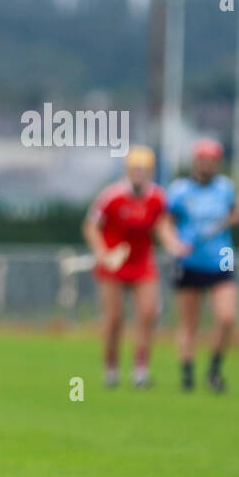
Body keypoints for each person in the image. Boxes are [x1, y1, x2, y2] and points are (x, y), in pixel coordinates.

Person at [167, 138, 239, 391]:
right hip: (188, 260)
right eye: (204, 159)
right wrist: (175, 244)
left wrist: (238, 216)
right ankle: (188, 374)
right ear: (195, 161)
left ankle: (214, 370)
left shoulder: (225, 188)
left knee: (227, 317)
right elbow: (165, 222)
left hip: (221, 257)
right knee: (189, 322)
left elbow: (234, 214)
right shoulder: (179, 191)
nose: (207, 165)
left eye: (212, 160)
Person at [82, 147, 188, 388]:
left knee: (148, 314)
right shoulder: (111, 196)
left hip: (142, 263)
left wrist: (175, 245)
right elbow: (90, 227)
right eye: (135, 169)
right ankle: (111, 368)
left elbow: (162, 226)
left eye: (144, 170)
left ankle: (141, 370)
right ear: (127, 170)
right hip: (113, 264)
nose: (139, 174)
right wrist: (102, 253)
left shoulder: (157, 197)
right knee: (114, 319)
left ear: (151, 172)